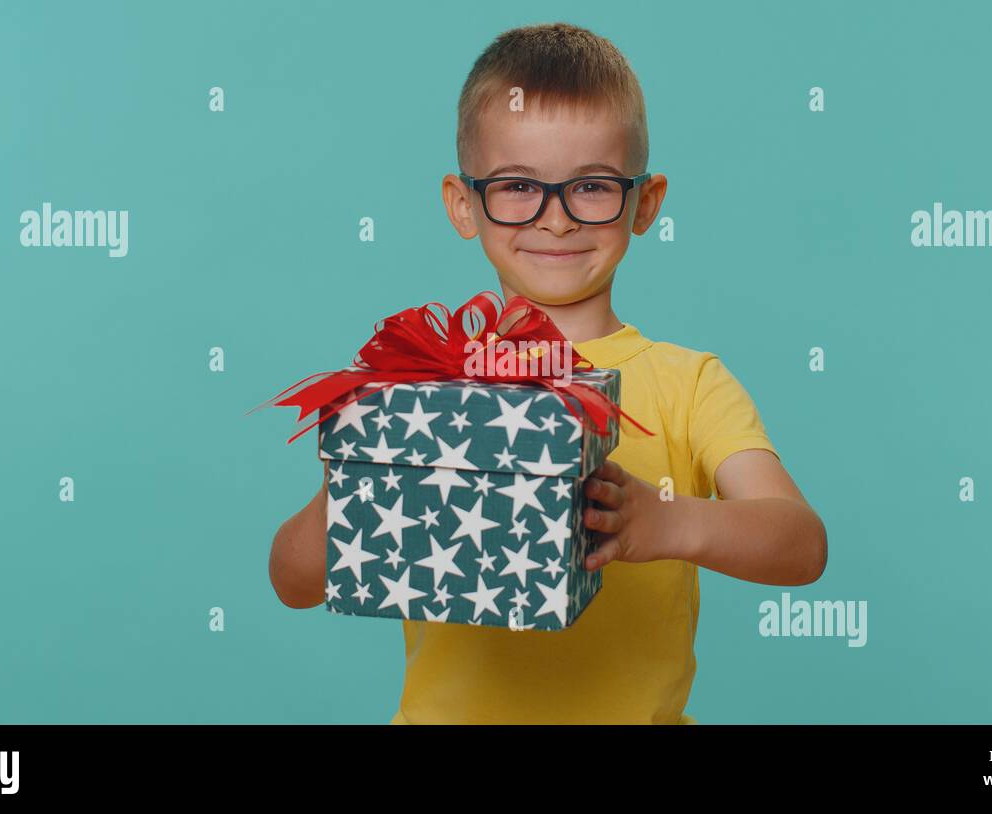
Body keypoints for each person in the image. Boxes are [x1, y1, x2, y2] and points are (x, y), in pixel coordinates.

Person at [269, 21, 827, 724]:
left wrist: (667, 524)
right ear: (463, 205)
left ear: (645, 203)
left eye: (591, 187)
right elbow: (292, 580)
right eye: (516, 187)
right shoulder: (427, 385)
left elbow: (801, 544)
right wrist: (367, 475)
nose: (556, 220)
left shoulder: (691, 384)